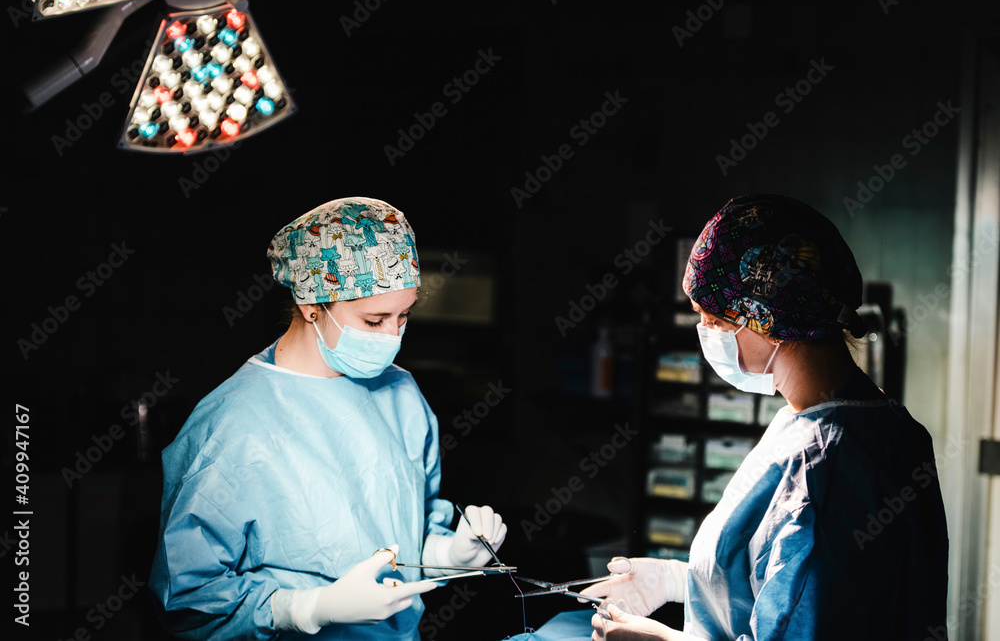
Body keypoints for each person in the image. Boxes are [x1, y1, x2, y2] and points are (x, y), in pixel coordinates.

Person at [582, 194, 949, 640]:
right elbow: (784, 577)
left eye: (713, 319)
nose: (706, 335)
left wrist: (663, 640)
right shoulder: (884, 428)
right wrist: (680, 580)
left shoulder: (821, 465)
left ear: (765, 320)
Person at [149, 197, 507, 640]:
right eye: (374, 320)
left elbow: (406, 534)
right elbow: (190, 597)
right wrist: (309, 608)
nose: (392, 337)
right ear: (310, 305)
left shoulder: (400, 394)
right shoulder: (235, 424)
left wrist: (450, 553)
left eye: (403, 316)